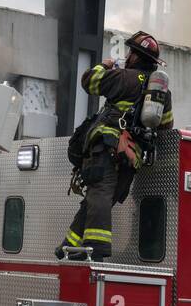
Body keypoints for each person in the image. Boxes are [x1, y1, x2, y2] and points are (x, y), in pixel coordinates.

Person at [57, 30, 174, 261]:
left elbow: (88, 81)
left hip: (106, 148)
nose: (128, 55)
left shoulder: (123, 77)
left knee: (98, 194)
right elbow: (167, 127)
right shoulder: (162, 93)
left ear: (136, 57)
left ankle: (95, 250)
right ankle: (68, 247)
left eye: (131, 52)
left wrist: (104, 65)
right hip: (132, 158)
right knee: (98, 199)